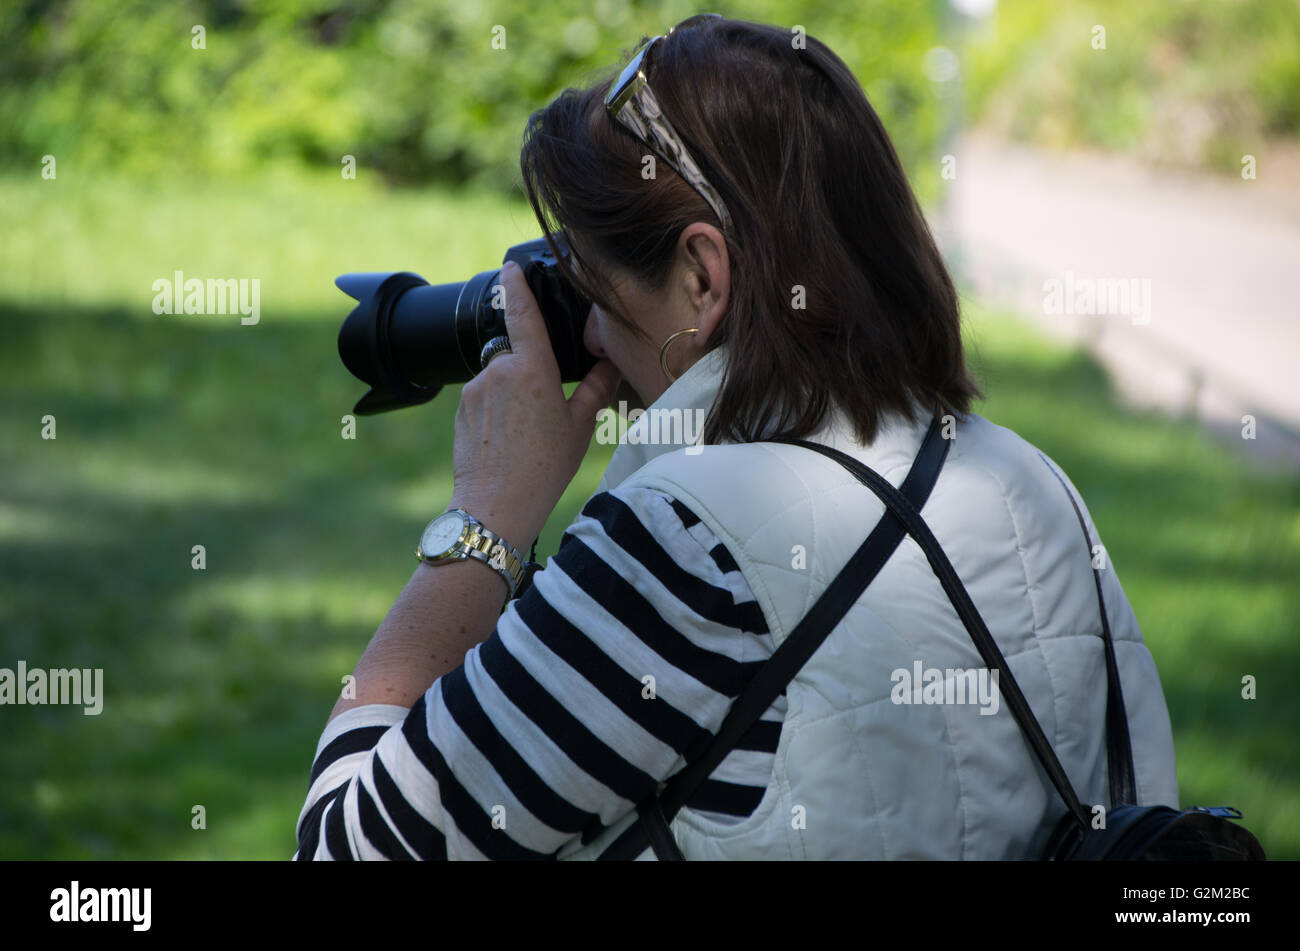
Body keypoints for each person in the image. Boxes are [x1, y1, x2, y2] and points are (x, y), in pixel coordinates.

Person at [294, 15, 1179, 860]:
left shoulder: (683, 544)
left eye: (595, 292)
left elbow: (344, 847)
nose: (591, 336)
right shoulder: (1036, 490)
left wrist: (484, 522)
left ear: (702, 277)